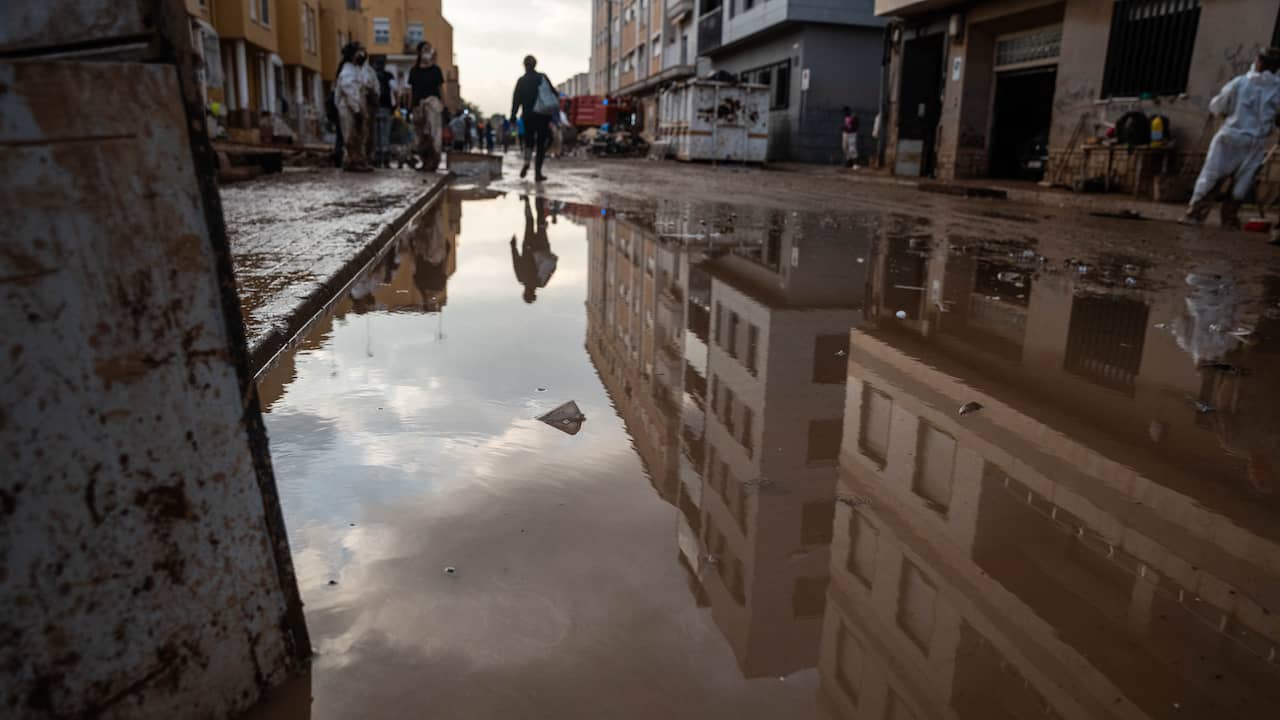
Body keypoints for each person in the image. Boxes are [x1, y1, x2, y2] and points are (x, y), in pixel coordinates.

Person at [1184, 48, 1280, 228]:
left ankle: (1196, 214)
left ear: (1258, 61)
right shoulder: (1277, 89)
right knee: (1241, 182)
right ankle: (1229, 219)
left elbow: (1219, 107)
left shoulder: (1240, 83)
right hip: (1255, 143)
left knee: (1212, 176)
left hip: (1230, 138)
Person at [510, 55, 556, 181]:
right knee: (541, 143)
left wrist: (513, 115)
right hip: (542, 115)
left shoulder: (521, 81)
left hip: (528, 116)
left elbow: (516, 99)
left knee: (529, 141)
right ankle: (537, 173)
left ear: (524, 66)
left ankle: (526, 161)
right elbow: (553, 93)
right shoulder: (542, 77)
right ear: (535, 64)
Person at [334, 43, 378, 172]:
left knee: (360, 134)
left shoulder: (357, 69)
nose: (362, 54)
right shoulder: (347, 71)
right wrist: (357, 110)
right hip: (349, 107)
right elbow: (350, 92)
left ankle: (357, 160)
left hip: (357, 105)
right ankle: (353, 161)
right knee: (351, 135)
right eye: (360, 51)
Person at [510, 195, 557, 302]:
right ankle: (529, 201)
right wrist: (513, 246)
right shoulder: (522, 278)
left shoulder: (540, 282)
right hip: (530, 246)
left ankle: (537, 200)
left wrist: (513, 247)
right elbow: (516, 261)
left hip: (539, 247)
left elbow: (552, 268)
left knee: (538, 222)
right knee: (530, 222)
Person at [408, 41, 446, 171]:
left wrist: (444, 105)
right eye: (425, 49)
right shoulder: (414, 71)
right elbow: (412, 90)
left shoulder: (436, 70)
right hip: (418, 107)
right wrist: (410, 108)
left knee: (433, 134)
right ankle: (425, 161)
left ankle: (433, 161)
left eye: (429, 49)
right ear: (419, 52)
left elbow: (441, 89)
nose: (427, 52)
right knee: (420, 135)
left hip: (433, 105)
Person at [373, 58, 395, 168]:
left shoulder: (372, 75)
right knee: (385, 134)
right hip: (386, 107)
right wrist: (395, 105)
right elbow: (395, 89)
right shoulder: (389, 76)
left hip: (374, 108)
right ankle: (385, 159)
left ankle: (377, 159)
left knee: (375, 135)